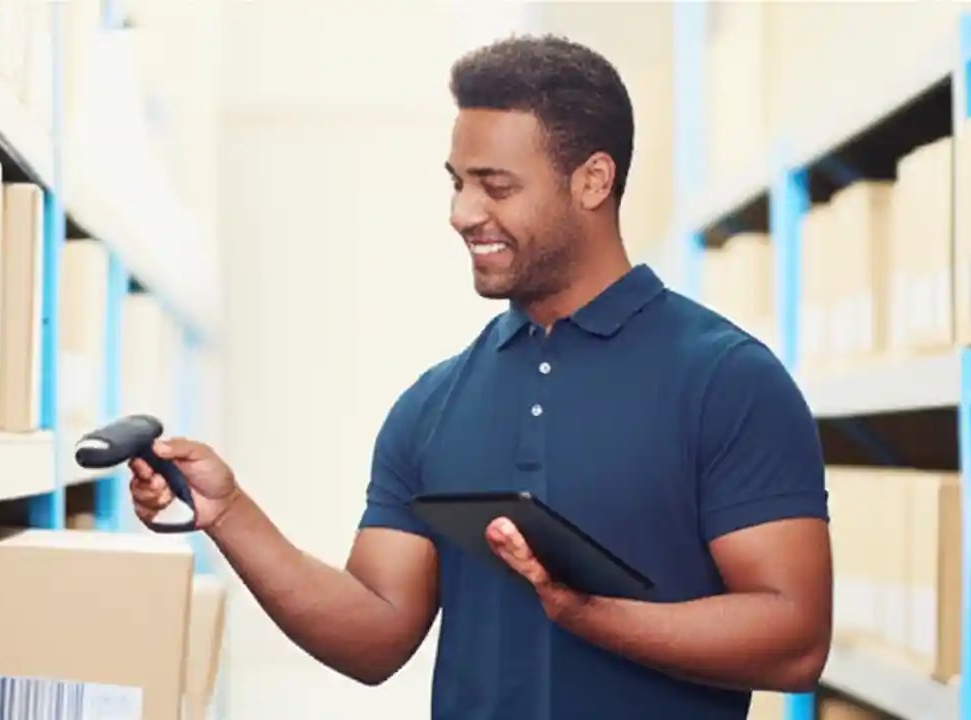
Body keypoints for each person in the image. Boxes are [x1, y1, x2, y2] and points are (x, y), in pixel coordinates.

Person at [129, 34, 832, 719]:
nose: (463, 213)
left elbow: (794, 641)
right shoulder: (435, 404)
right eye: (459, 183)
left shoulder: (727, 381)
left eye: (494, 186)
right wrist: (229, 515)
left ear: (593, 180)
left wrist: (587, 614)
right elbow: (374, 635)